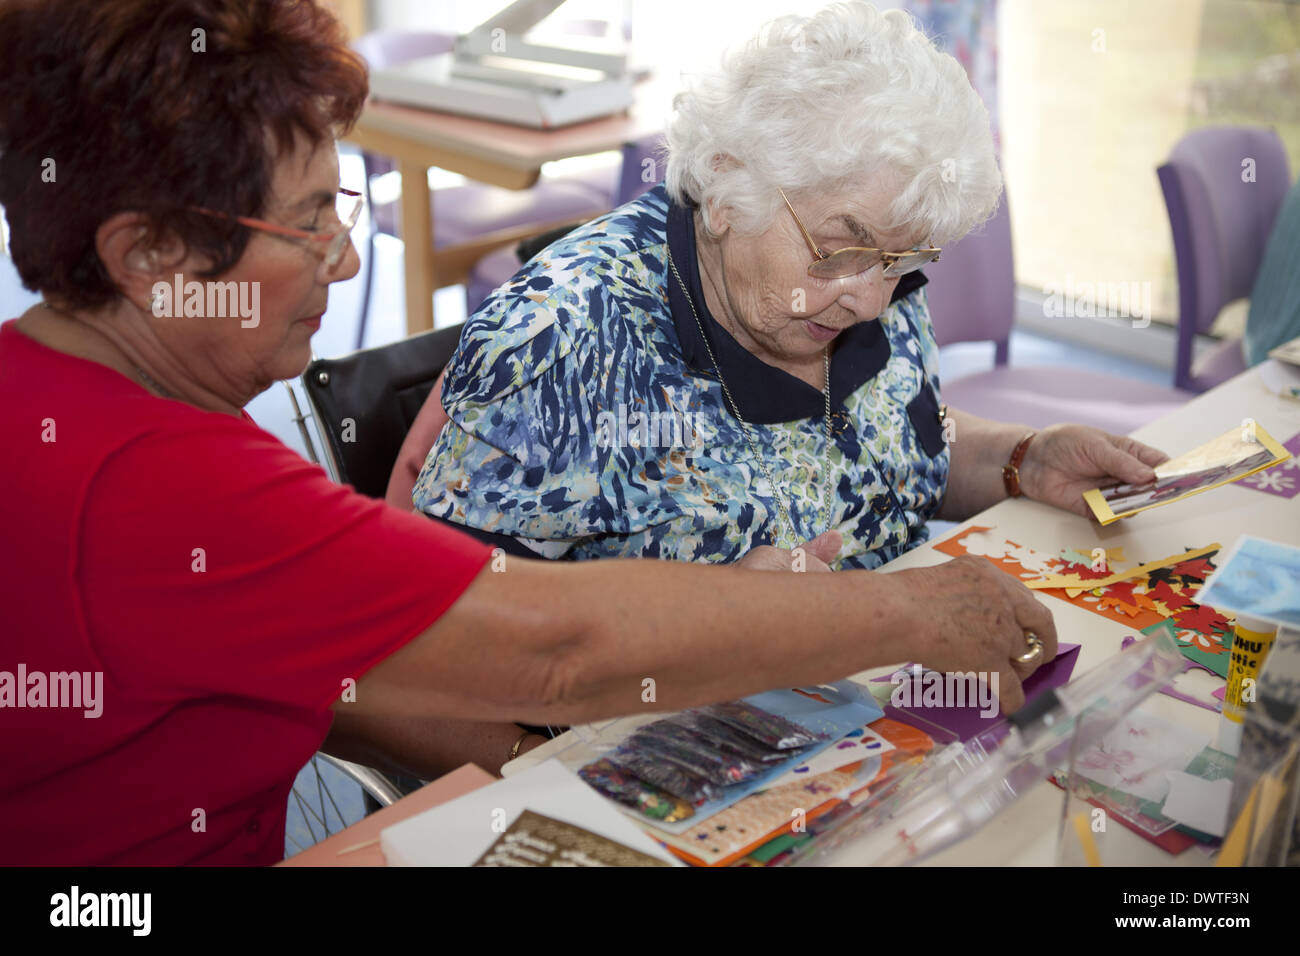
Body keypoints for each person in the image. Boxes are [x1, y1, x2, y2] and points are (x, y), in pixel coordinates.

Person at [0, 0, 1063, 866]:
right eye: (308, 221)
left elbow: (332, 669)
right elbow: (554, 647)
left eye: (344, 210)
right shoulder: (168, 485)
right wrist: (891, 611)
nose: (349, 262)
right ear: (146, 256)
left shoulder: (64, 392)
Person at [405, 1, 1169, 570]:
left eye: (900, 261)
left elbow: (895, 452)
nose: (871, 299)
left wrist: (1019, 459)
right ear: (730, 182)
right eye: (840, 251)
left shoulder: (870, 276)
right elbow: (441, 644)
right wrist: (714, 625)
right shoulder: (565, 344)